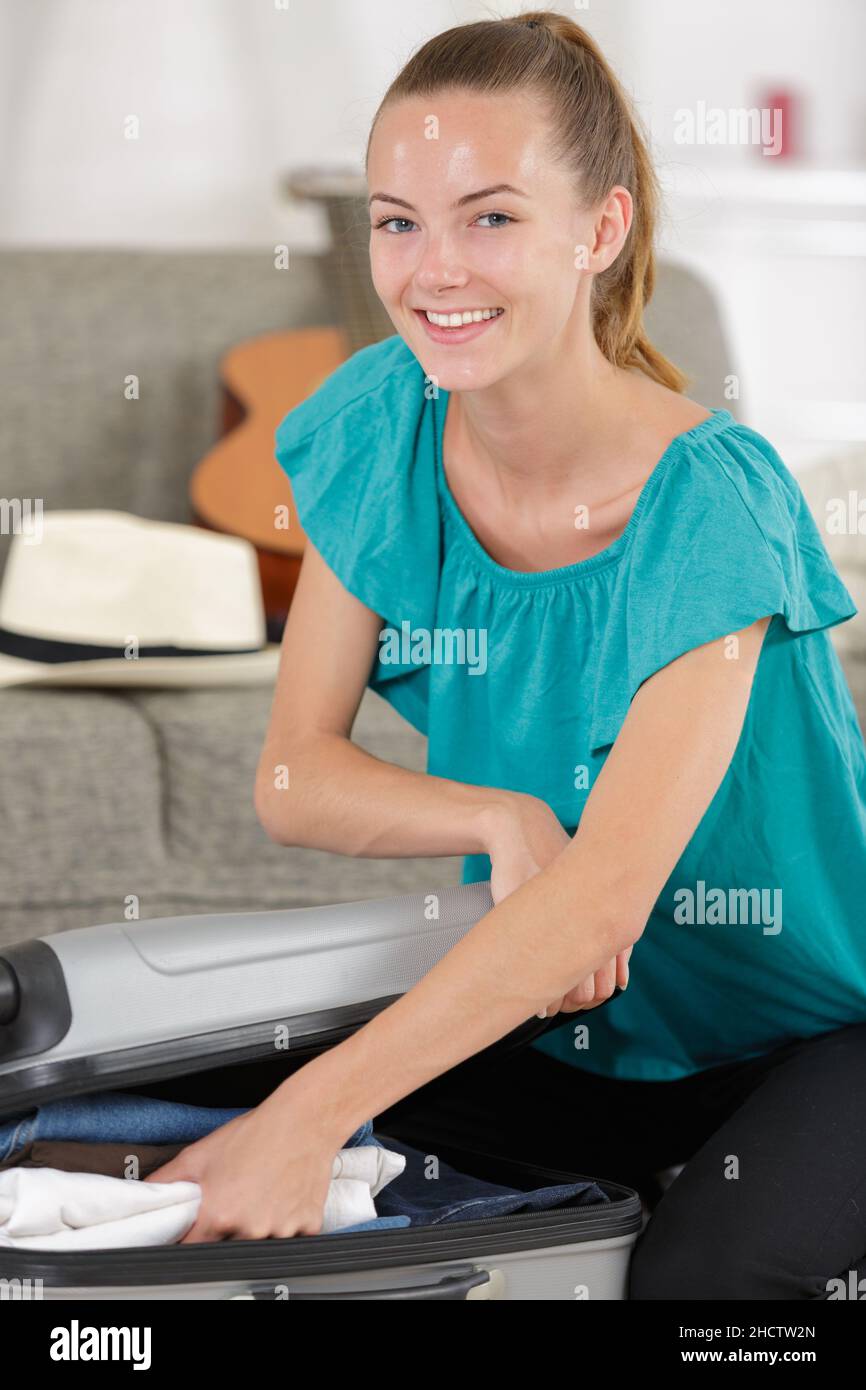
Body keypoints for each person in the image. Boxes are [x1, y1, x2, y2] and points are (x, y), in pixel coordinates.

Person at [145, 11, 866, 1299]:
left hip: (816, 1035)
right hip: (573, 1026)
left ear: (601, 230)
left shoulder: (711, 500)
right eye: (396, 220)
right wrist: (499, 811)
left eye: (489, 217)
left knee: (703, 1288)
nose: (433, 271)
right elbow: (294, 778)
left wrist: (314, 1115)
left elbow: (601, 905)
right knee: (172, 1135)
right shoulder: (381, 423)